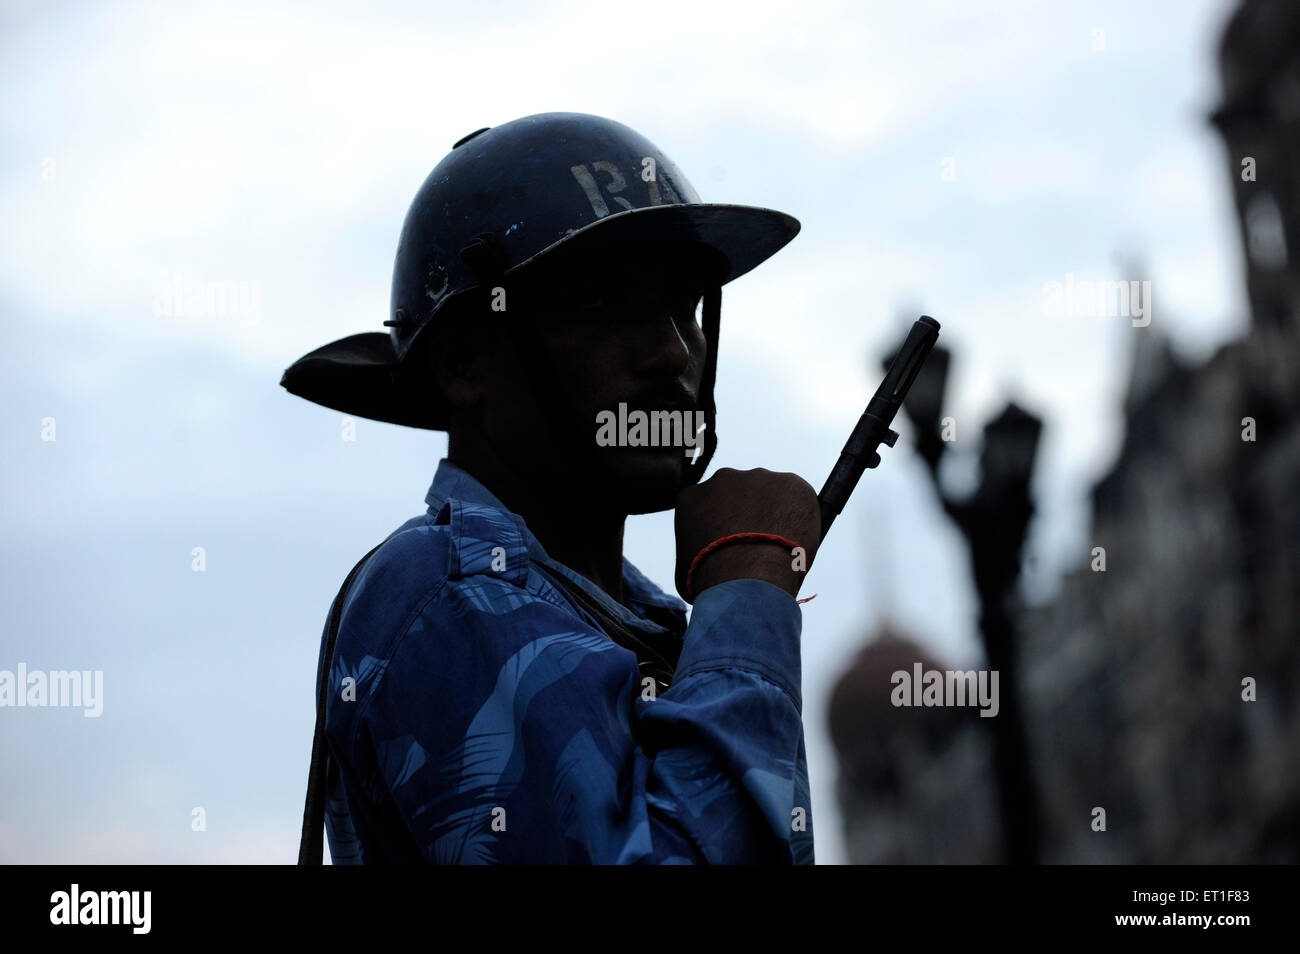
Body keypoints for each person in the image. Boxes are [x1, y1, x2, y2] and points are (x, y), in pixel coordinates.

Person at [282, 112, 820, 864]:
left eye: (685, 305)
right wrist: (749, 591)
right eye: (596, 303)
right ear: (467, 360)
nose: (671, 350)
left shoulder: (645, 615)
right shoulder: (442, 590)